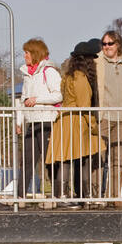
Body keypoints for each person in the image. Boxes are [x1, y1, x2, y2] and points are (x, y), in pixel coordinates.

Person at [45, 39, 105, 202]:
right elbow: (84, 105)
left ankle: (62, 195)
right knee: (82, 159)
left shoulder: (67, 75)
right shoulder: (80, 78)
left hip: (63, 120)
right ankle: (85, 195)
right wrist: (93, 126)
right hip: (76, 123)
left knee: (65, 159)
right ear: (87, 60)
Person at [15, 38, 62, 198]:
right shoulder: (27, 74)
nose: (24, 55)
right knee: (27, 160)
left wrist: (37, 99)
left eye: (27, 52)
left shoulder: (49, 72)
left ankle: (57, 194)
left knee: (49, 160)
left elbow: (58, 95)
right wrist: (19, 122)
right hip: (32, 122)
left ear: (35, 53)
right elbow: (23, 100)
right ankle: (19, 195)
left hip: (47, 121)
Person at [96, 30, 122, 198]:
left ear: (118, 45)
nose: (106, 47)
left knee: (118, 160)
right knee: (99, 159)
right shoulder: (97, 63)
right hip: (103, 117)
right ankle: (97, 196)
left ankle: (114, 196)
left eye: (110, 43)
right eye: (104, 44)